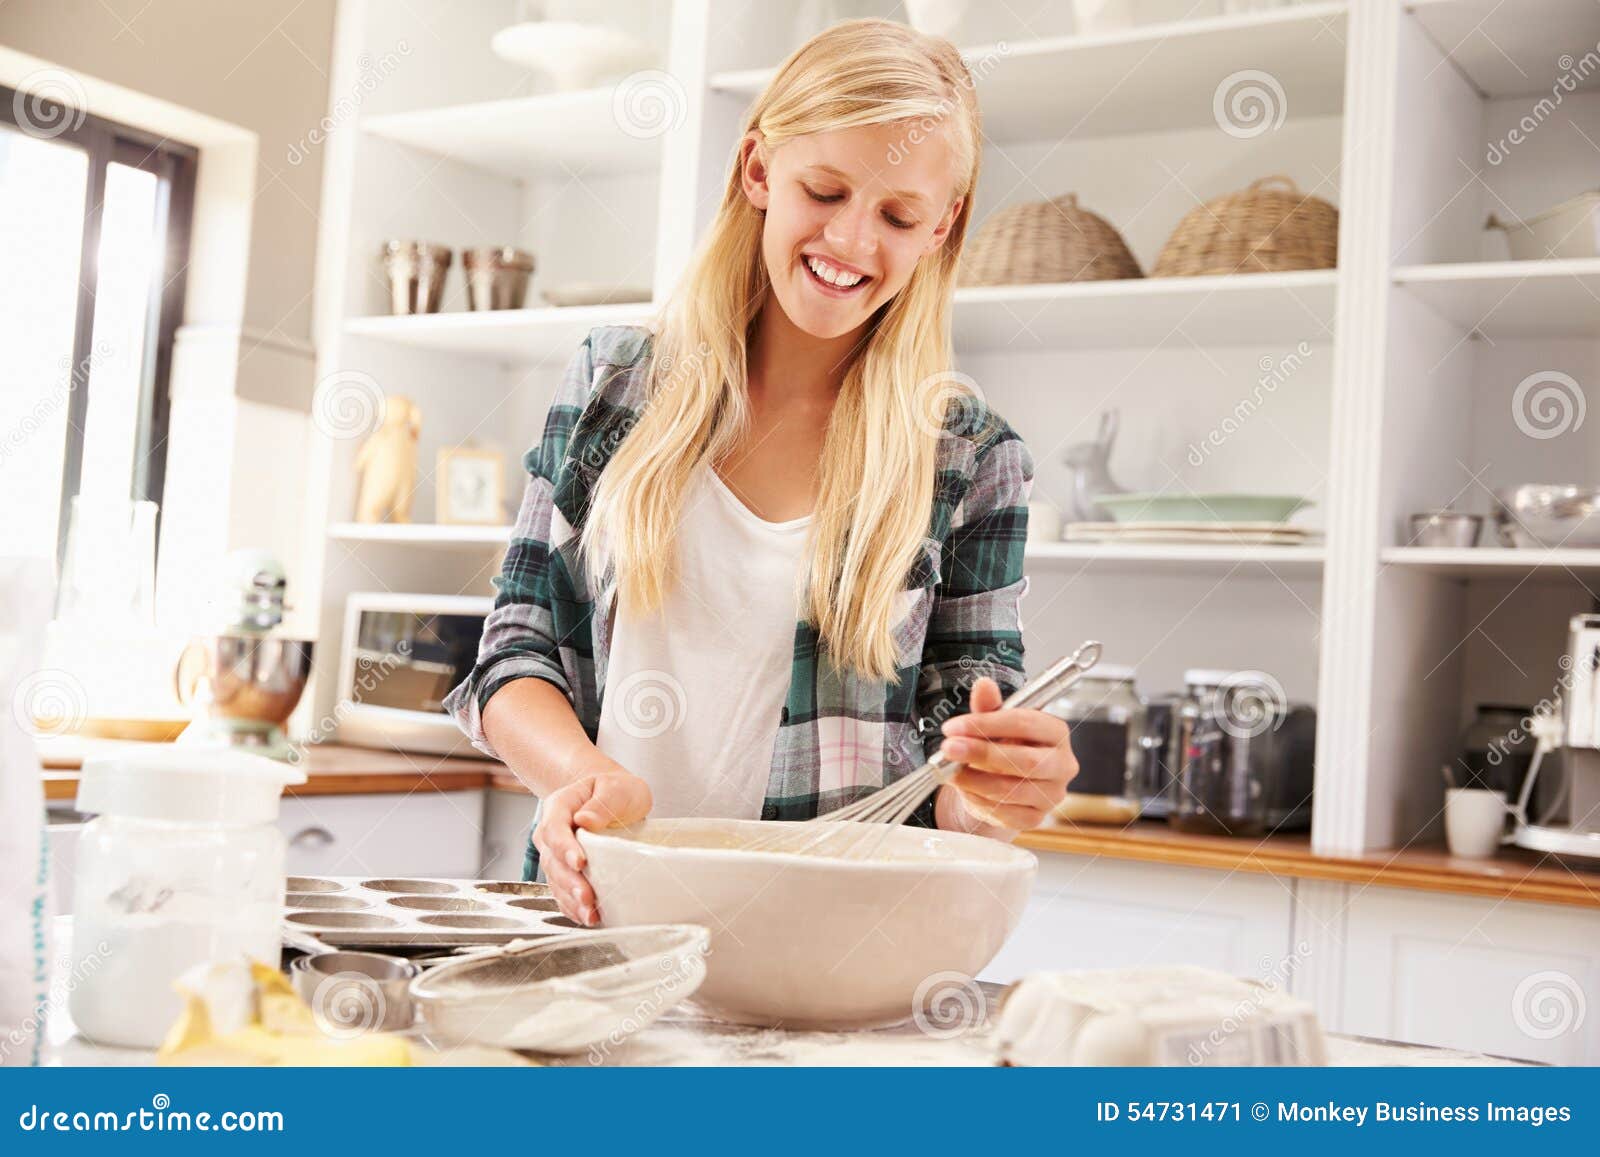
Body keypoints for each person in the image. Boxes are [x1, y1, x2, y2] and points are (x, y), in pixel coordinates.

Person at [444, 19, 1078, 927]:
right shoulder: (615, 386)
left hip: (829, 941)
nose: (853, 241)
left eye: (898, 216)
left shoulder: (971, 456)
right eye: (825, 191)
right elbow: (515, 654)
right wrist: (589, 779)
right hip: (598, 911)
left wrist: (995, 790)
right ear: (757, 172)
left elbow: (957, 763)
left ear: (943, 228)